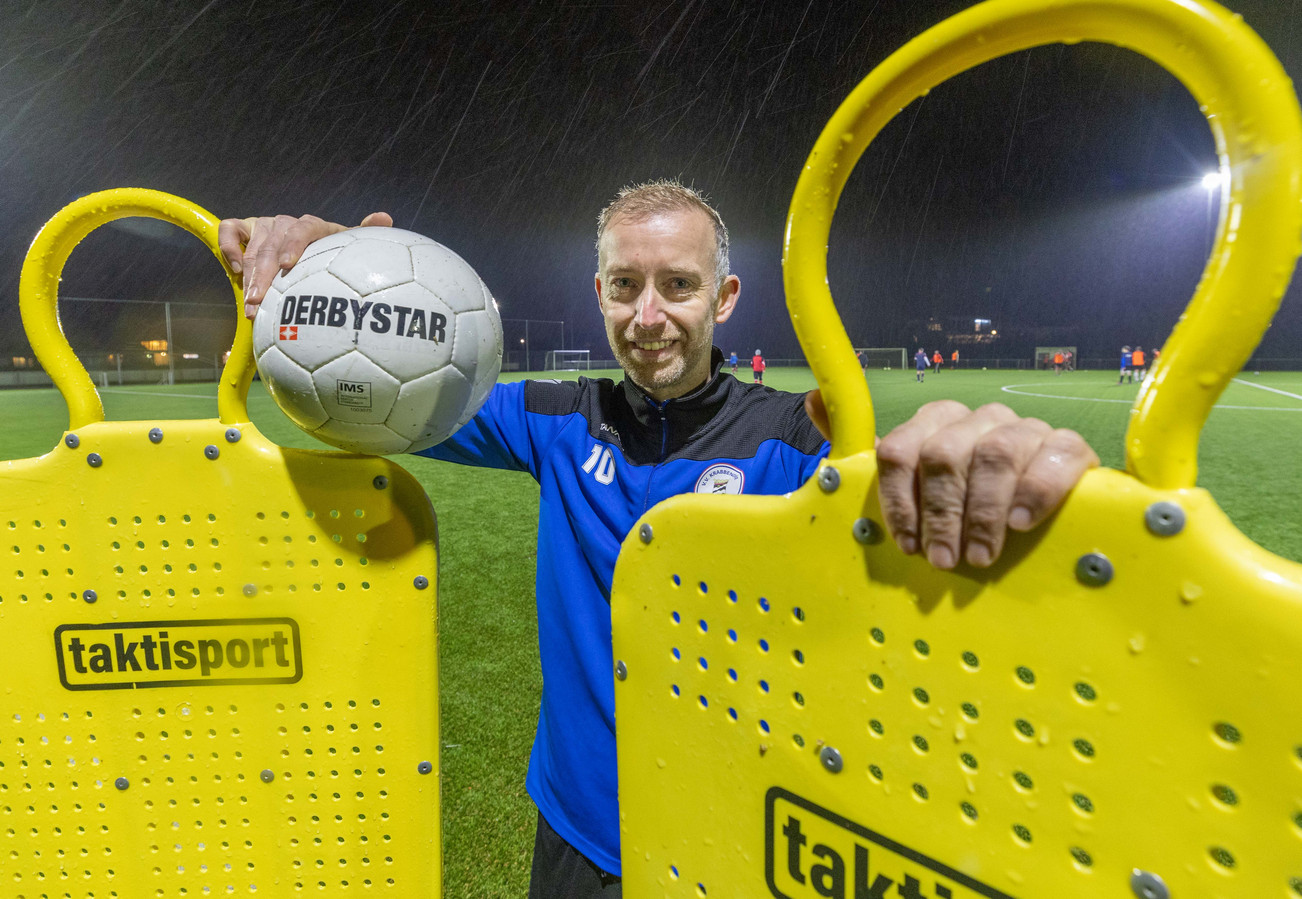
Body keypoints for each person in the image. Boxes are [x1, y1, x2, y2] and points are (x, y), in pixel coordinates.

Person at [221, 180, 1098, 897]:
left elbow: (908, 494)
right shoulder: (558, 419)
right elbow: (384, 386)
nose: (648, 316)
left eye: (677, 285)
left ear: (724, 297)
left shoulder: (794, 440)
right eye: (624, 285)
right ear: (598, 293)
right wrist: (329, 273)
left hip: (725, 834)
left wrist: (985, 458)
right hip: (574, 828)